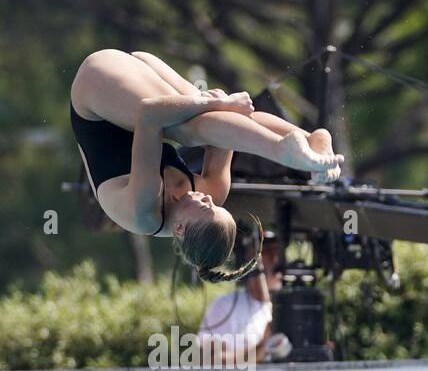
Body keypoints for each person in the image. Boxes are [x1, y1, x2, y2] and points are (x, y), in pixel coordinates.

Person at [69, 49, 342, 281]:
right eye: (215, 206)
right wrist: (220, 105)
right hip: (142, 70)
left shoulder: (144, 210)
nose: (208, 199)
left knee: (189, 129)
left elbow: (150, 115)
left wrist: (219, 102)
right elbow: (230, 126)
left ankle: (282, 151)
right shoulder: (212, 192)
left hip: (97, 82)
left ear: (179, 229)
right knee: (206, 122)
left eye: (205, 208)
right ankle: (310, 138)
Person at [198, 233, 289, 365]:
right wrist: (261, 348)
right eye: (268, 252)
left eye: (278, 252)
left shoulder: (284, 308)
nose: (276, 259)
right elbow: (210, 360)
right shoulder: (225, 305)